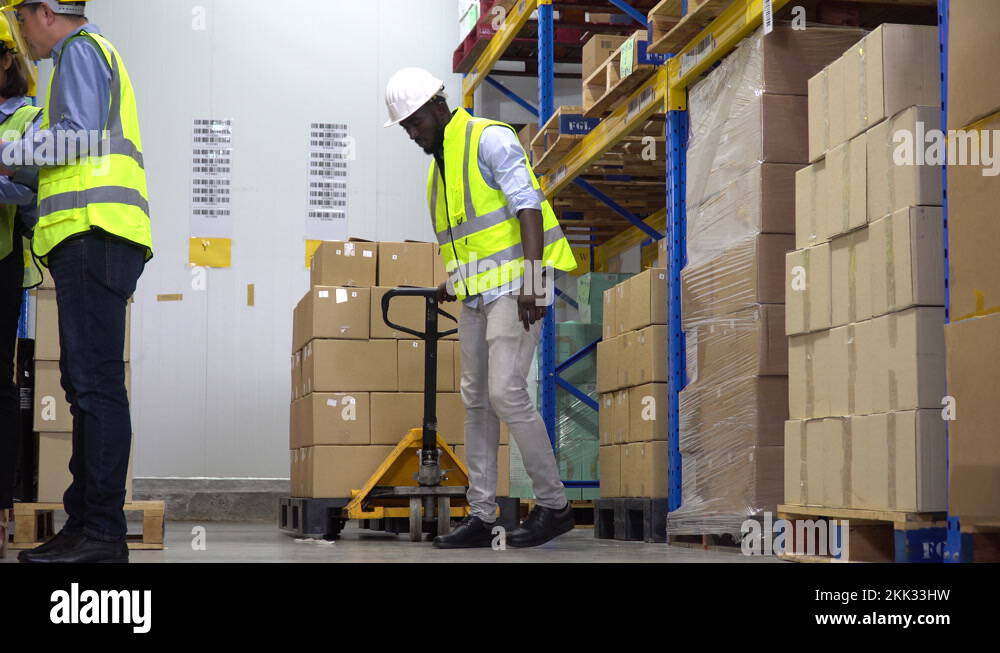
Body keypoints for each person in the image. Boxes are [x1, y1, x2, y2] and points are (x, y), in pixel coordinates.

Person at [384, 68, 578, 549]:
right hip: (477, 295)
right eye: (406, 127)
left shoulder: (488, 138)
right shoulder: (439, 170)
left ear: (437, 107)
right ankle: (481, 514)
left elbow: (527, 207)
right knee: (475, 400)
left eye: (415, 123)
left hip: (519, 286)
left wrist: (533, 280)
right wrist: (454, 281)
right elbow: (472, 239)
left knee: (506, 393)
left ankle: (554, 506)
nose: (412, 134)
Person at [0, 0, 152, 564]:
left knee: (95, 387)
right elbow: (56, 162)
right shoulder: (81, 58)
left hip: (96, 234)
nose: (20, 36)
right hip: (90, 238)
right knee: (84, 385)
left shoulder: (82, 52)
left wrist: (5, 151)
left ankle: (102, 534)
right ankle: (84, 523)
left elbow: (77, 136)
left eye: (19, 20)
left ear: (44, 11)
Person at [0, 16, 41, 558]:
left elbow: (31, 192)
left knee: (1, 386)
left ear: (7, 58)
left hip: (3, 260)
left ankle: (1, 503)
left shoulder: (28, 117)